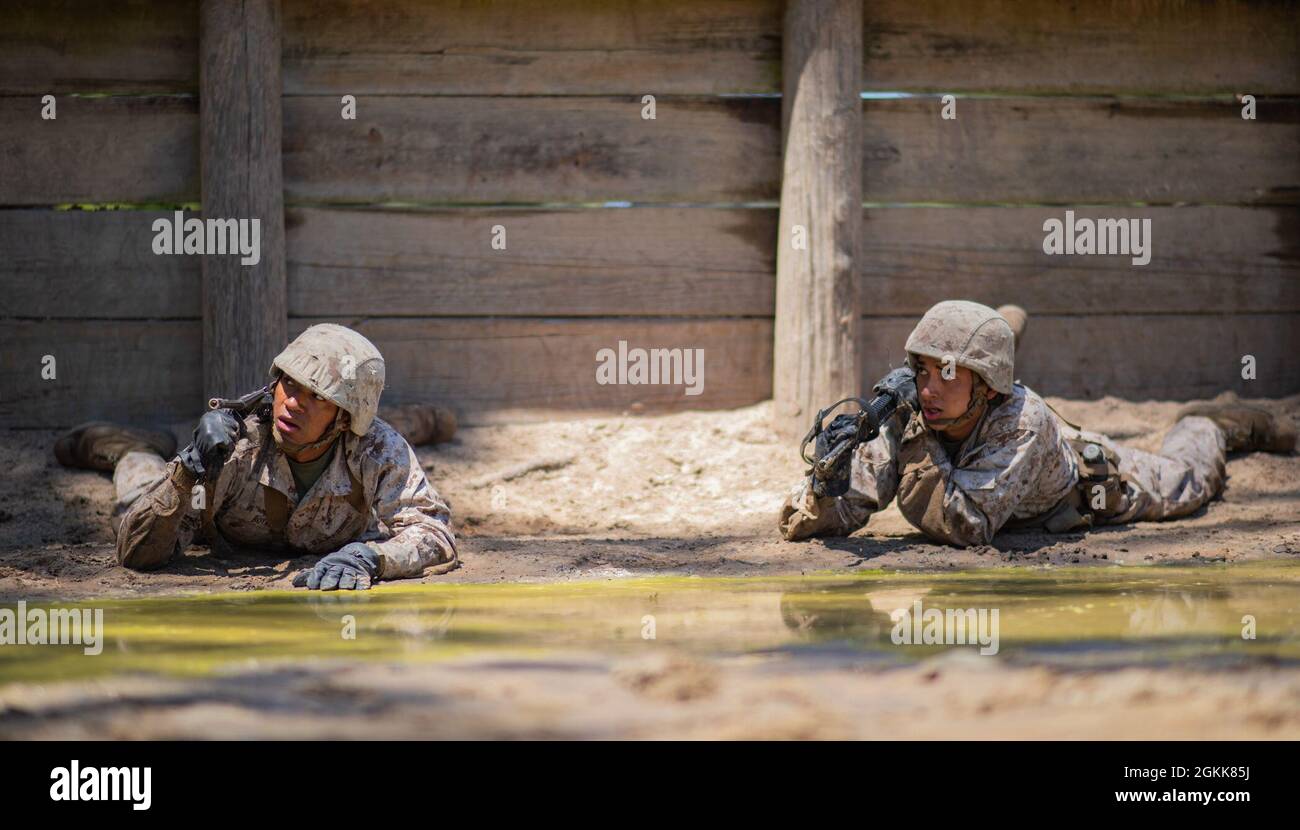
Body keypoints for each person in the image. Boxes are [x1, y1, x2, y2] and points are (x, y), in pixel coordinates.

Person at [779, 300, 1296, 545]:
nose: (926, 388)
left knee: (1191, 480)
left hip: (1093, 484)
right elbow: (852, 506)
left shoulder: (1023, 420)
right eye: (920, 371)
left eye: (946, 374)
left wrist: (913, 436)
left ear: (985, 386)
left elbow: (968, 527)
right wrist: (825, 489)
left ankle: (1215, 427)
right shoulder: (909, 406)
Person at [54, 324, 458, 589]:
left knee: (402, 430)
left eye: (317, 396)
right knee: (142, 480)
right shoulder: (238, 448)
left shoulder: (374, 446)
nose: (293, 403)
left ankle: (424, 418)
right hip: (213, 523)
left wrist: (372, 557)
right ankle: (131, 446)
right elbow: (137, 553)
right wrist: (186, 472)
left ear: (345, 417)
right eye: (288, 384)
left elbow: (435, 534)